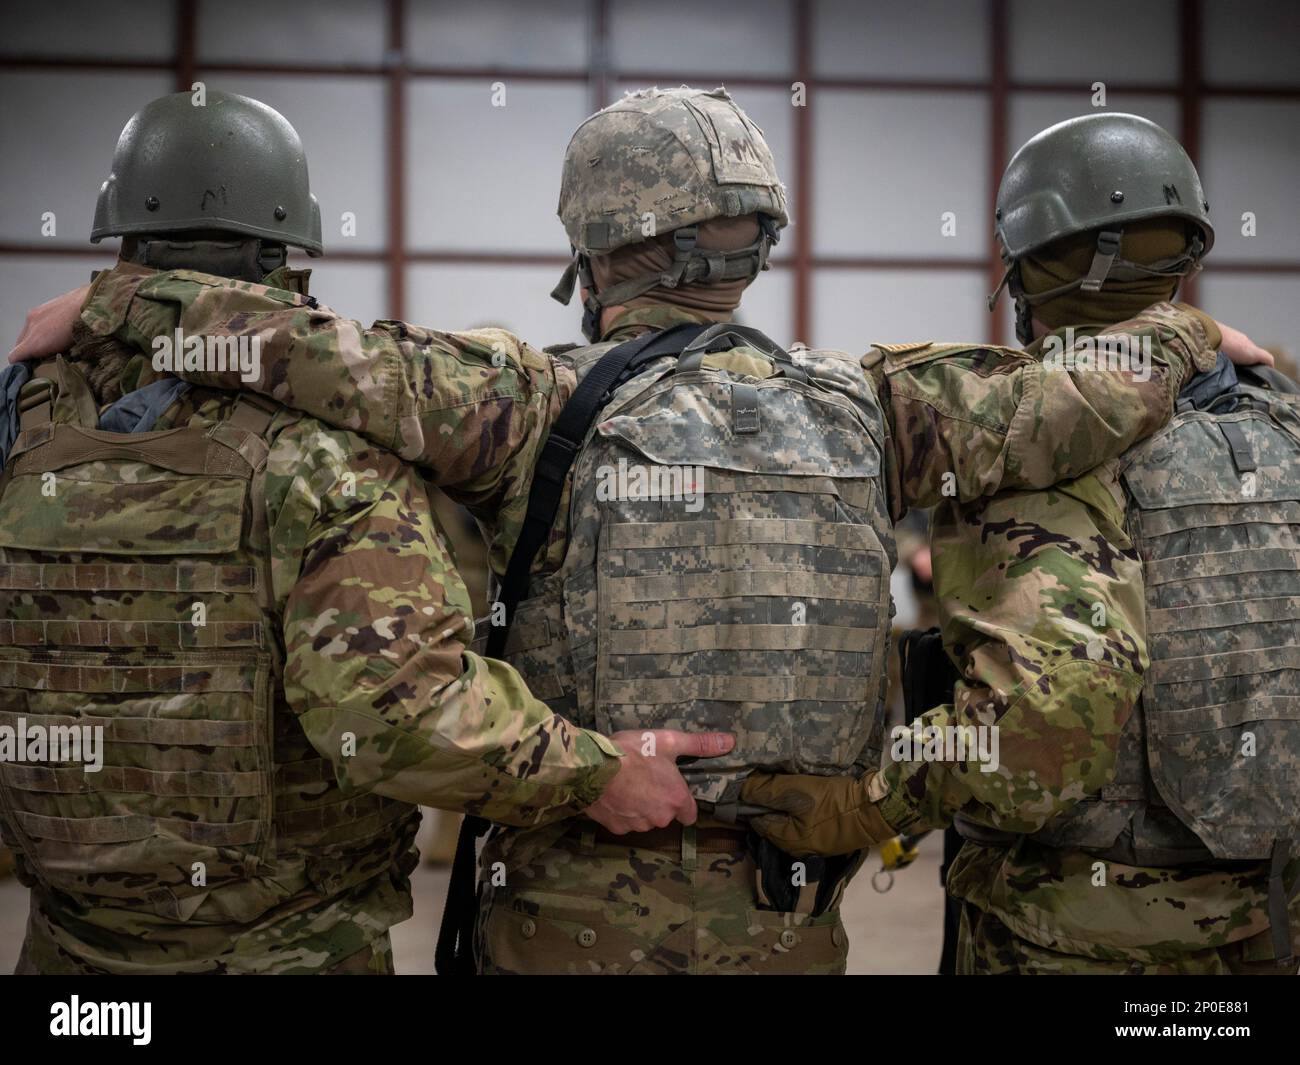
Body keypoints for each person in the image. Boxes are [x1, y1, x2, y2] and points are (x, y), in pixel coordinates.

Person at [12, 89, 1266, 974]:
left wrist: (146, 304)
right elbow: (1079, 392)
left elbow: (317, 356)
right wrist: (1185, 333)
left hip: (550, 919)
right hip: (788, 923)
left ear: (591, 248)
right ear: (759, 241)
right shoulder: (884, 411)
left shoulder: (519, 401)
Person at [0, 89, 728, 975]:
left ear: (120, 242)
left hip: (66, 958)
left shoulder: (20, 424)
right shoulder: (320, 451)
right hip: (290, 953)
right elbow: (401, 713)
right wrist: (595, 771)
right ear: (283, 255)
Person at [738, 113, 1300, 975]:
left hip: (1076, 933)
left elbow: (1038, 737)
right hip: (1273, 919)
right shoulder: (1282, 425)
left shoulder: (1018, 444)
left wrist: (868, 801)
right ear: (1188, 254)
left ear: (1026, 269)